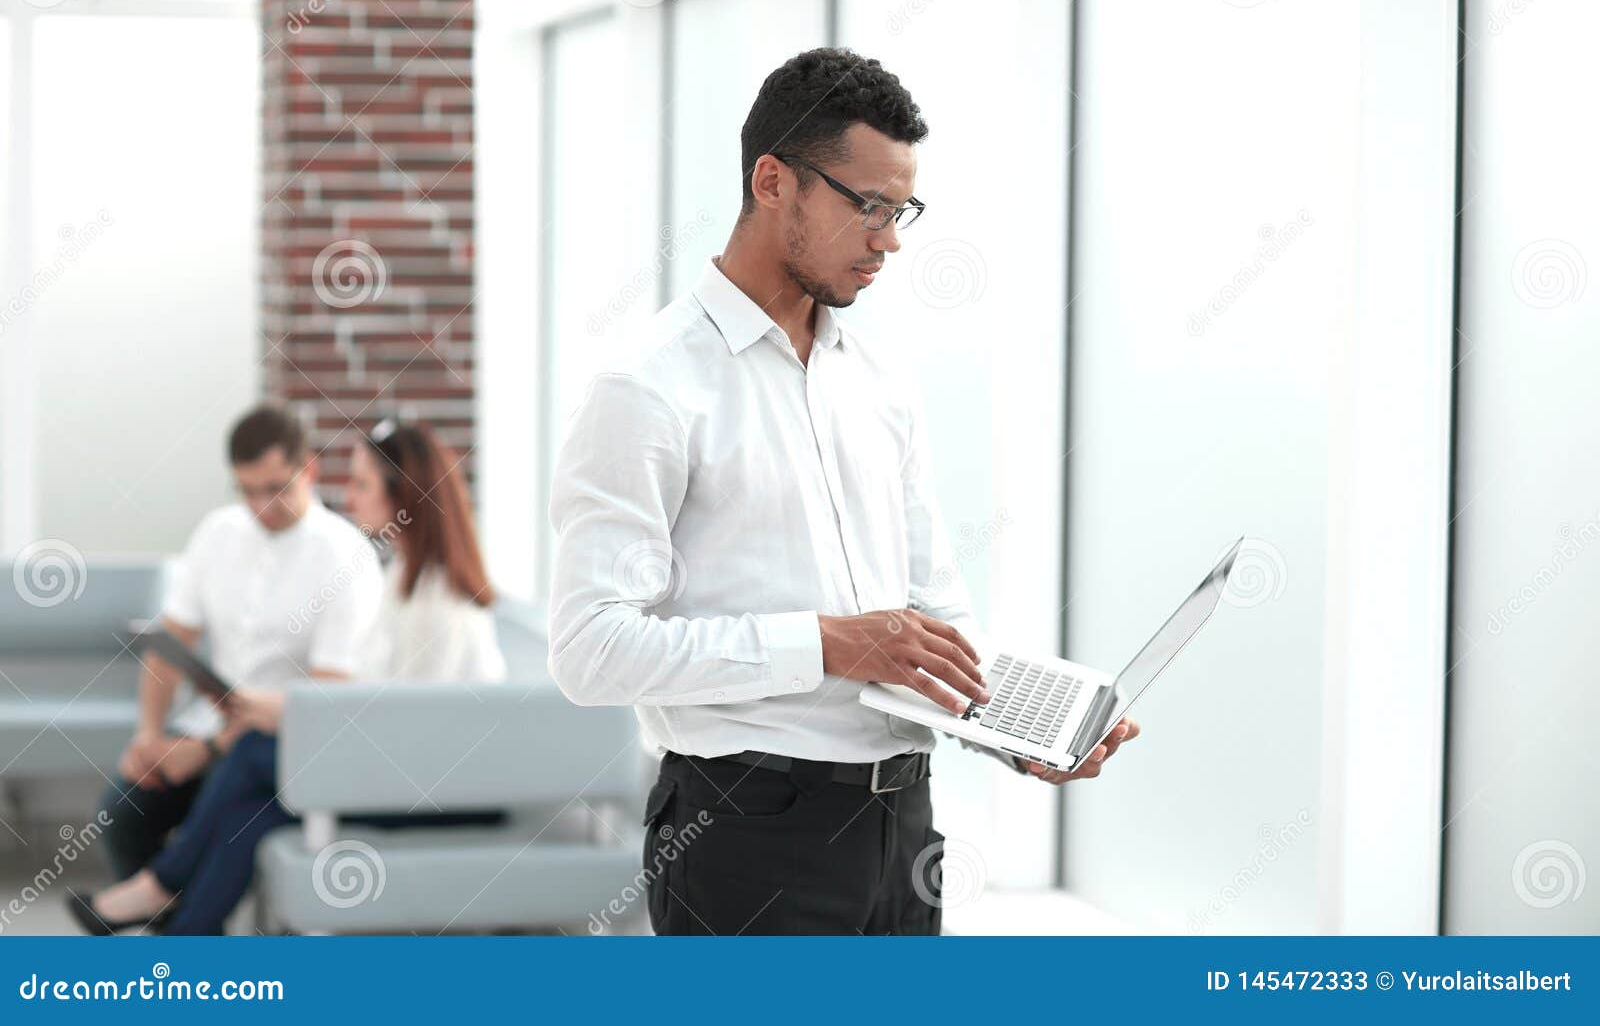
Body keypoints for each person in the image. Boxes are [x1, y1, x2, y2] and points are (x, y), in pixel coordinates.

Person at [548, 47, 1140, 936]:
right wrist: (825, 644)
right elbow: (590, 651)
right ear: (774, 179)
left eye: (902, 211)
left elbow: (931, 613)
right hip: (745, 833)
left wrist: (1024, 736)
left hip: (906, 833)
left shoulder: (878, 380)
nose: (890, 240)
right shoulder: (649, 389)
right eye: (868, 206)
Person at [69, 418, 506, 935]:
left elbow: (404, 730)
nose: (350, 495)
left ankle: (158, 892)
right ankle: (182, 940)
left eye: (362, 483)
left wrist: (272, 714)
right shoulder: (402, 585)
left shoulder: (438, 602)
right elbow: (375, 711)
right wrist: (161, 733)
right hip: (391, 769)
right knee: (243, 817)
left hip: (435, 788)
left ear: (402, 497)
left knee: (253, 751)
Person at [96, 404, 384, 883]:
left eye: (275, 489)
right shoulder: (217, 533)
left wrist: (207, 751)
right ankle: (181, 944)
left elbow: (326, 698)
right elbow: (168, 645)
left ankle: (187, 934)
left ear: (308, 469)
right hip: (210, 729)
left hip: (283, 748)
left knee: (212, 817)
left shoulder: (346, 555)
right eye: (248, 491)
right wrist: (149, 737)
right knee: (124, 815)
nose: (260, 507)